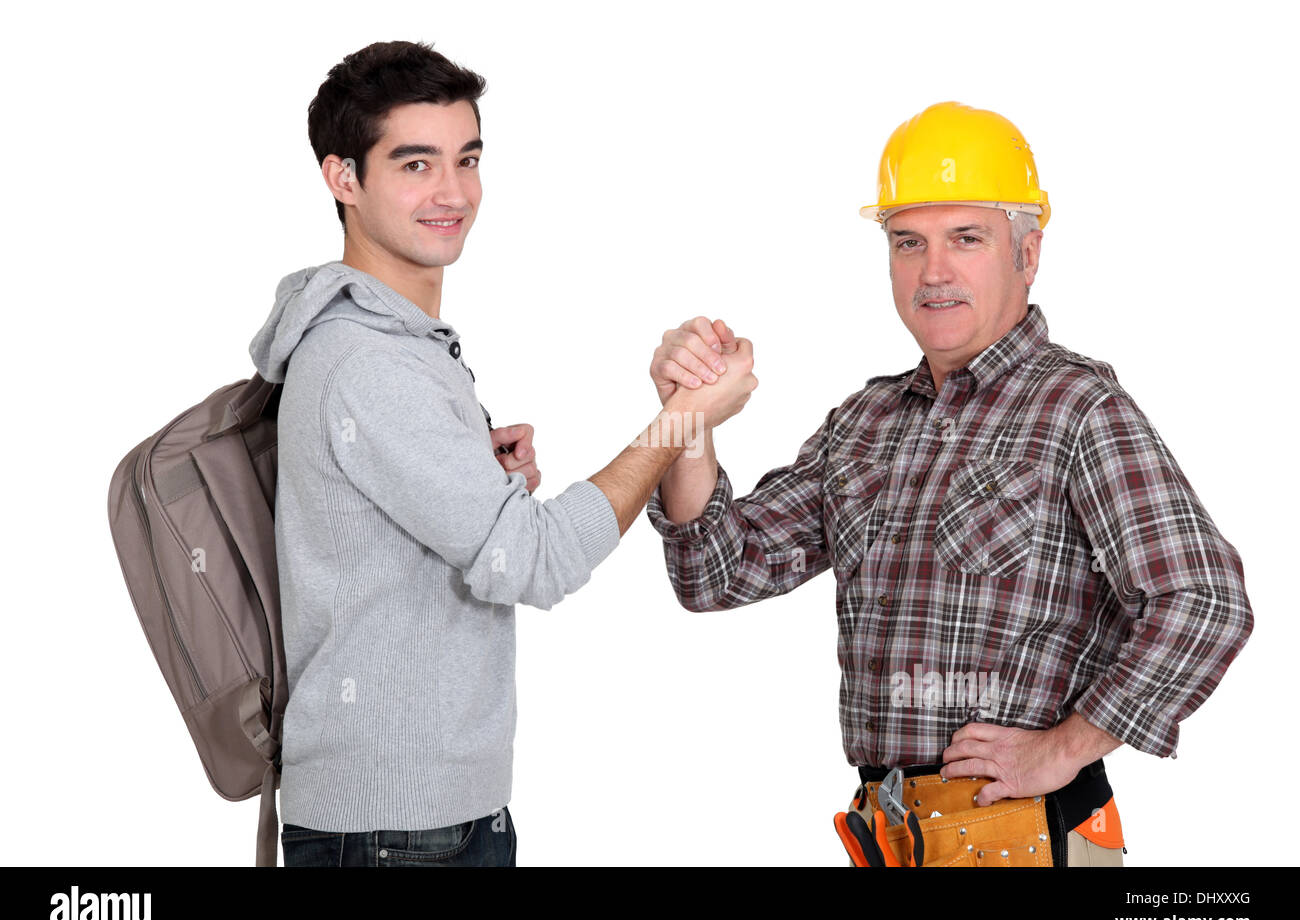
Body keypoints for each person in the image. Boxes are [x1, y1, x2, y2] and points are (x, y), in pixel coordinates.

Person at [645, 101, 1253, 866]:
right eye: (909, 243)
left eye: (966, 239)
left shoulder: (1077, 408)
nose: (933, 272)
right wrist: (686, 421)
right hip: (895, 837)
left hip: (1024, 836)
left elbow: (1205, 599)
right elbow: (717, 573)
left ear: (1027, 254)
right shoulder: (867, 420)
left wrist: (1067, 747)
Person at [248, 40, 757, 867]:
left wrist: (472, 477)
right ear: (343, 179)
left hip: (420, 819)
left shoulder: (395, 346)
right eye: (415, 164)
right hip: (394, 831)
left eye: (467, 158)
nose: (453, 193)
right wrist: (681, 421)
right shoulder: (369, 362)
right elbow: (537, 561)